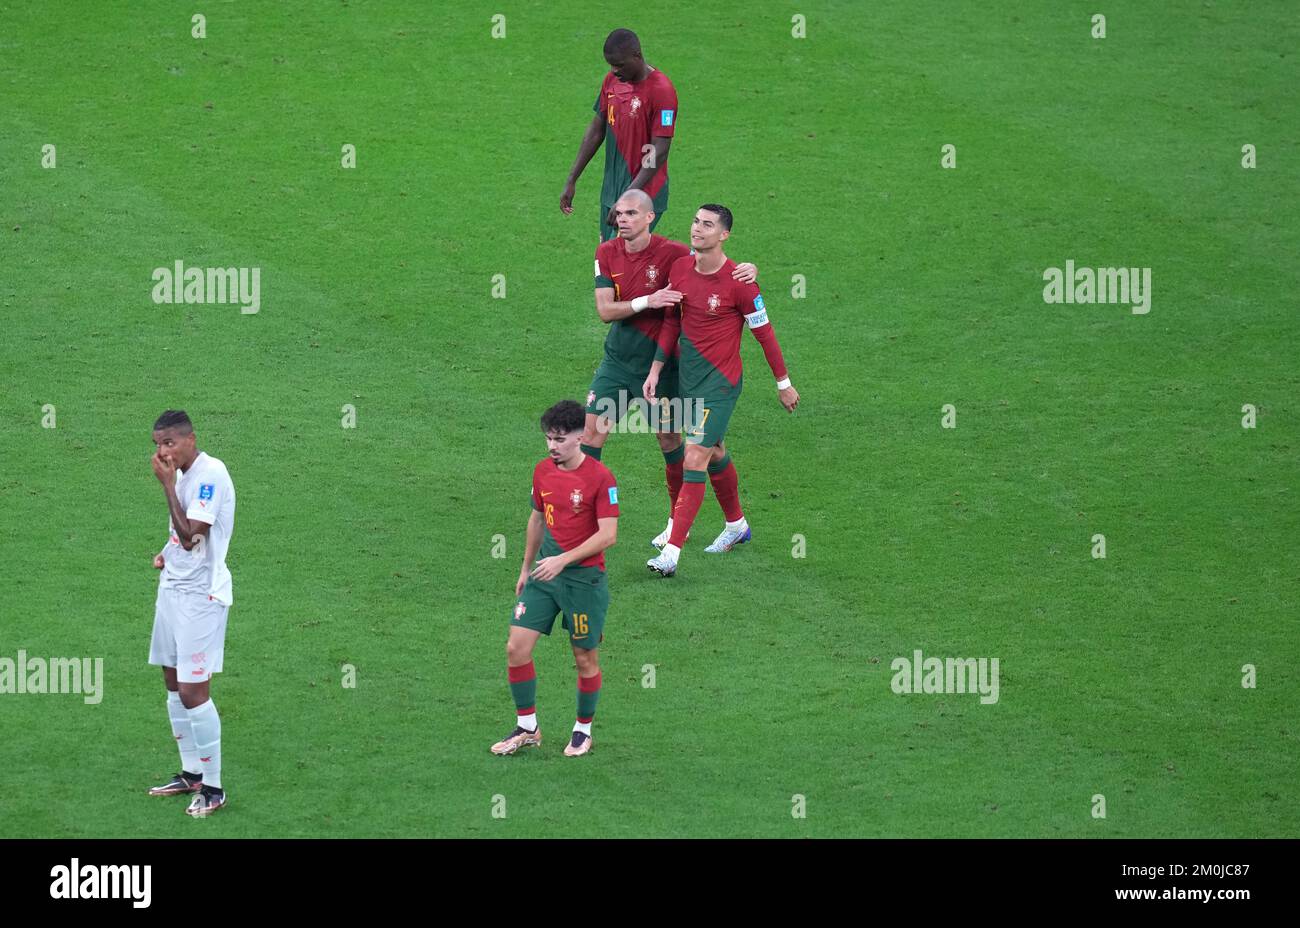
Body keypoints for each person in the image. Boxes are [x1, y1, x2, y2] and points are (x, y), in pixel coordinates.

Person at [582, 188, 756, 546]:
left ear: (649, 217)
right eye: (618, 214)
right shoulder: (606, 252)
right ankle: (585, 518)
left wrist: (749, 269)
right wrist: (650, 299)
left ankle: (681, 521)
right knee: (591, 435)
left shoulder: (673, 254)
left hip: (662, 369)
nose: (622, 220)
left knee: (678, 441)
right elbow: (604, 311)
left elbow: (714, 263)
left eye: (631, 214)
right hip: (616, 363)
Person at [643, 206, 799, 577]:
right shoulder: (680, 268)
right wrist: (655, 370)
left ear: (724, 235)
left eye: (707, 225)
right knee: (714, 451)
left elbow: (766, 334)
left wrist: (784, 384)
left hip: (721, 385)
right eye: (696, 221)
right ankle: (736, 525)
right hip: (686, 380)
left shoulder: (741, 282)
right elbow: (670, 323)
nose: (697, 229)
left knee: (694, 455)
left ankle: (672, 554)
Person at [492, 400, 619, 758]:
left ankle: (583, 731)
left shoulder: (601, 478)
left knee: (583, 657)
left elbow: (608, 535)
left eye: (560, 439)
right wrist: (524, 568)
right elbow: (537, 519)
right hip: (543, 576)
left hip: (583, 582)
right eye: (548, 438)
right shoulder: (542, 472)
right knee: (515, 648)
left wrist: (562, 560)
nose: (552, 446)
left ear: (581, 437)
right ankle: (527, 727)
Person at [146, 410, 236, 816]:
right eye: (157, 445)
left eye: (169, 444)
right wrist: (164, 555)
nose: (162, 452)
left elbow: (190, 536)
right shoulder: (183, 473)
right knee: (170, 679)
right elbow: (176, 541)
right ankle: (191, 774)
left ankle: (214, 788)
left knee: (192, 690)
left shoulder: (210, 475)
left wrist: (167, 485)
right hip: (173, 591)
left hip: (202, 597)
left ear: (190, 439)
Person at [560, 29, 677, 242]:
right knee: (607, 263)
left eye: (620, 65)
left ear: (637, 56)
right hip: (611, 191)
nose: (614, 70)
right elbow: (596, 130)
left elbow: (660, 149)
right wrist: (572, 179)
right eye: (611, 65)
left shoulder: (662, 91)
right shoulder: (612, 81)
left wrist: (629, 196)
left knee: (620, 262)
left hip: (644, 193)